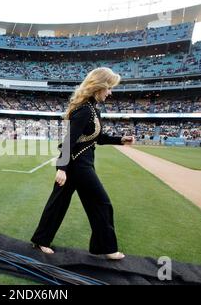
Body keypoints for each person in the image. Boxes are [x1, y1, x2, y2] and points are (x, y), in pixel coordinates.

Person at [30, 68, 134, 260]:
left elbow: (97, 138)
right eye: (109, 88)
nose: (110, 93)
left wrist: (120, 140)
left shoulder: (94, 109)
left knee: (58, 203)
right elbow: (69, 140)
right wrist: (61, 169)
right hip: (78, 166)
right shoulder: (85, 110)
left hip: (81, 164)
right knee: (101, 203)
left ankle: (41, 240)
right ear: (99, 86)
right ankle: (107, 248)